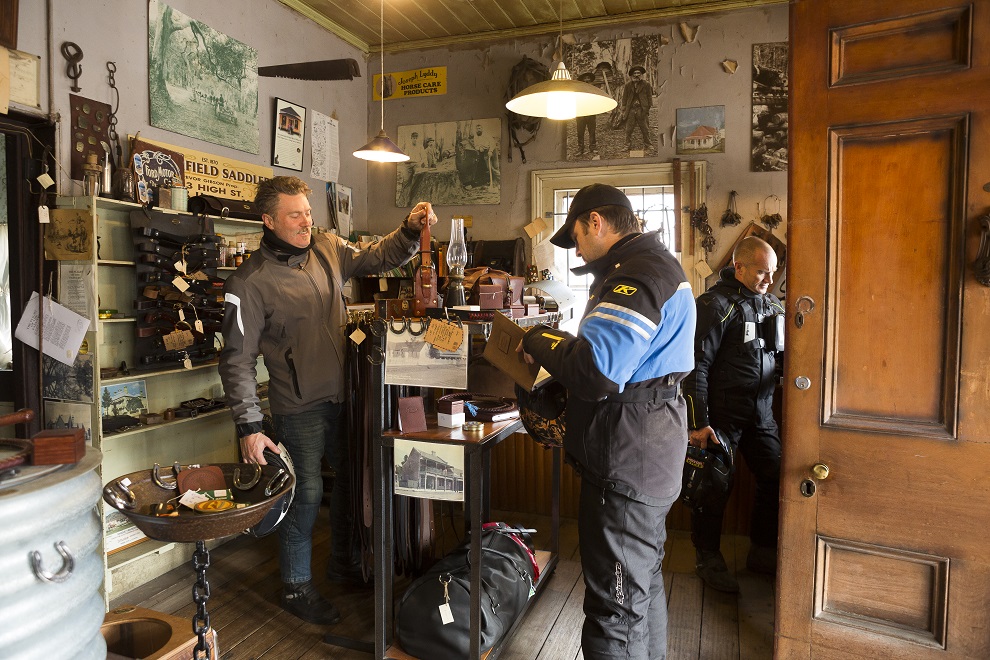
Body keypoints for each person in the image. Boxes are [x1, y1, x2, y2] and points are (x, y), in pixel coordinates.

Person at [219, 175, 437, 625]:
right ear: (269, 220)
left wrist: (411, 230)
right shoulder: (249, 282)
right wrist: (249, 427)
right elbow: (236, 361)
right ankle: (296, 587)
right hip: (297, 406)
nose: (306, 221)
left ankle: (342, 562)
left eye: (308, 212)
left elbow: (379, 256)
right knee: (305, 493)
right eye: (295, 214)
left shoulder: (326, 247)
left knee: (349, 482)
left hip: (345, 397)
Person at [518, 184, 695, 659]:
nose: (575, 248)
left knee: (614, 610)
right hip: (648, 446)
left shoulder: (636, 275)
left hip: (627, 460)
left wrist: (539, 340)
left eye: (574, 235)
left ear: (596, 221)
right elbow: (626, 365)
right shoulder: (652, 265)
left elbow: (597, 369)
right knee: (641, 586)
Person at [682, 236, 784, 593]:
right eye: (762, 272)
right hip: (720, 418)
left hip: (762, 415)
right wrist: (698, 423)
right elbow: (695, 366)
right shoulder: (714, 304)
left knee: (775, 475)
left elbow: (784, 356)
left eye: (772, 273)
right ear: (739, 267)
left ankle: (762, 550)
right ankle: (707, 558)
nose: (770, 281)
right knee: (713, 486)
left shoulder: (772, 306)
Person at [621, 65, 654, 150]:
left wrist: (647, 108)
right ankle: (626, 145)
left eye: (638, 73)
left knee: (645, 128)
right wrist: (624, 108)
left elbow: (649, 97)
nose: (636, 75)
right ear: (632, 75)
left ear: (641, 74)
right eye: (635, 73)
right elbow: (624, 97)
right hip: (631, 109)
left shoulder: (646, 84)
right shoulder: (628, 85)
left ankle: (648, 144)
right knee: (628, 129)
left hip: (641, 109)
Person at [574, 72, 599, 156]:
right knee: (580, 132)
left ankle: (593, 147)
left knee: (592, 131)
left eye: (588, 78)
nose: (587, 80)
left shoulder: (594, 89)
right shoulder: (577, 90)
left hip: (591, 113)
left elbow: (597, 100)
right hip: (580, 113)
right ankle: (580, 149)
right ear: (582, 80)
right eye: (585, 78)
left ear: (590, 80)